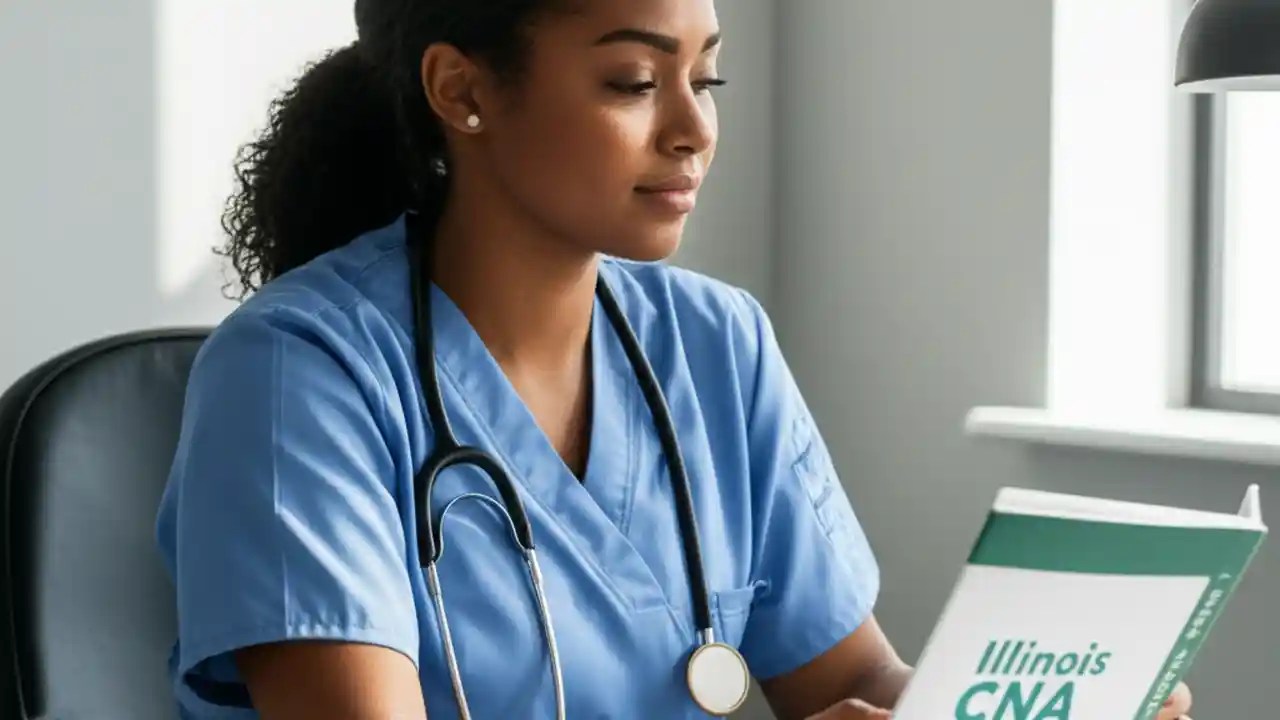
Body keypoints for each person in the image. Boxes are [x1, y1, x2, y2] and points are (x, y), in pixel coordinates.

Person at [153, 0, 1195, 718]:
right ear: (461, 92)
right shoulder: (298, 374)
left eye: (707, 75)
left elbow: (856, 673)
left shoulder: (715, 343)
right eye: (633, 79)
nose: (693, 127)